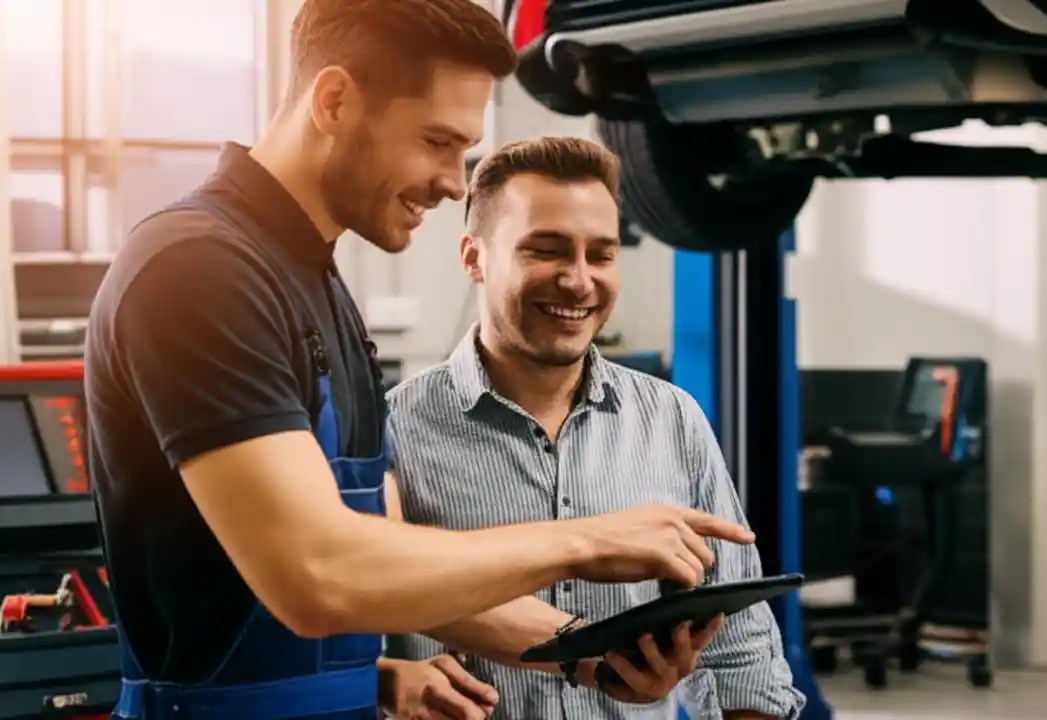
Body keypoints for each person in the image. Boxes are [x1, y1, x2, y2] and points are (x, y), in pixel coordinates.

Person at [82, 2, 755, 719]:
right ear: (335, 100)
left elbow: (392, 568)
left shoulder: (316, 288)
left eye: (464, 151)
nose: (452, 183)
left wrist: (589, 650)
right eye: (437, 142)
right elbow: (320, 576)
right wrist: (588, 542)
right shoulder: (198, 271)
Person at [382, 136, 807, 720]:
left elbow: (742, 656)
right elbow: (352, 617)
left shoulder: (672, 420)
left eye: (601, 255)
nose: (579, 281)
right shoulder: (392, 431)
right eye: (546, 250)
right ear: (473, 257)